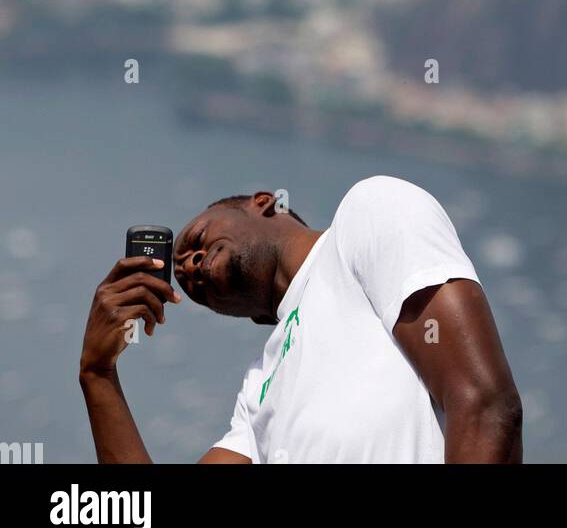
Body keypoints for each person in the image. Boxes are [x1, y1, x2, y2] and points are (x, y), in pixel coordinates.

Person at [79, 175, 522, 464]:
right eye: (191, 287)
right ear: (251, 319)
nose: (192, 265)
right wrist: (98, 374)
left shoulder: (366, 216)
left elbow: (484, 404)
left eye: (196, 240)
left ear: (264, 203)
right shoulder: (260, 389)